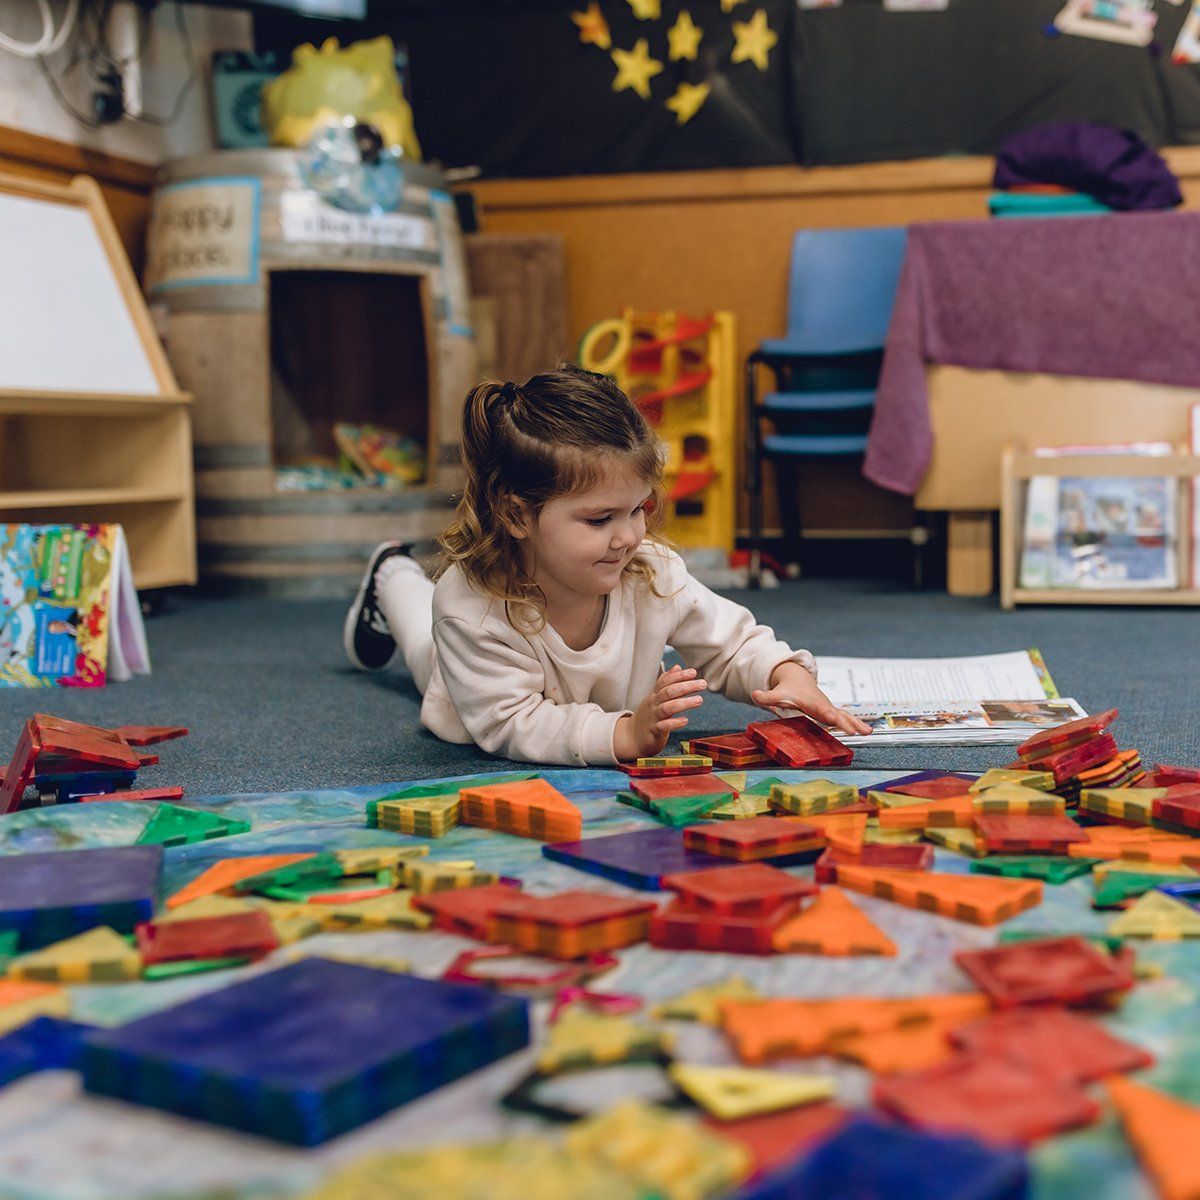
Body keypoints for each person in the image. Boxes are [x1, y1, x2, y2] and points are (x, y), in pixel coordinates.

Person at [343, 364, 869, 766]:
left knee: (425, 635)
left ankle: (394, 572)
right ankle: (392, 573)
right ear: (516, 515)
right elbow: (514, 722)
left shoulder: (650, 573)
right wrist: (621, 735)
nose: (628, 537)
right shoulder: (469, 610)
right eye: (599, 519)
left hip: (504, 664)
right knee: (421, 645)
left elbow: (731, 642)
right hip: (470, 692)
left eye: (638, 509)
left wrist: (786, 673)